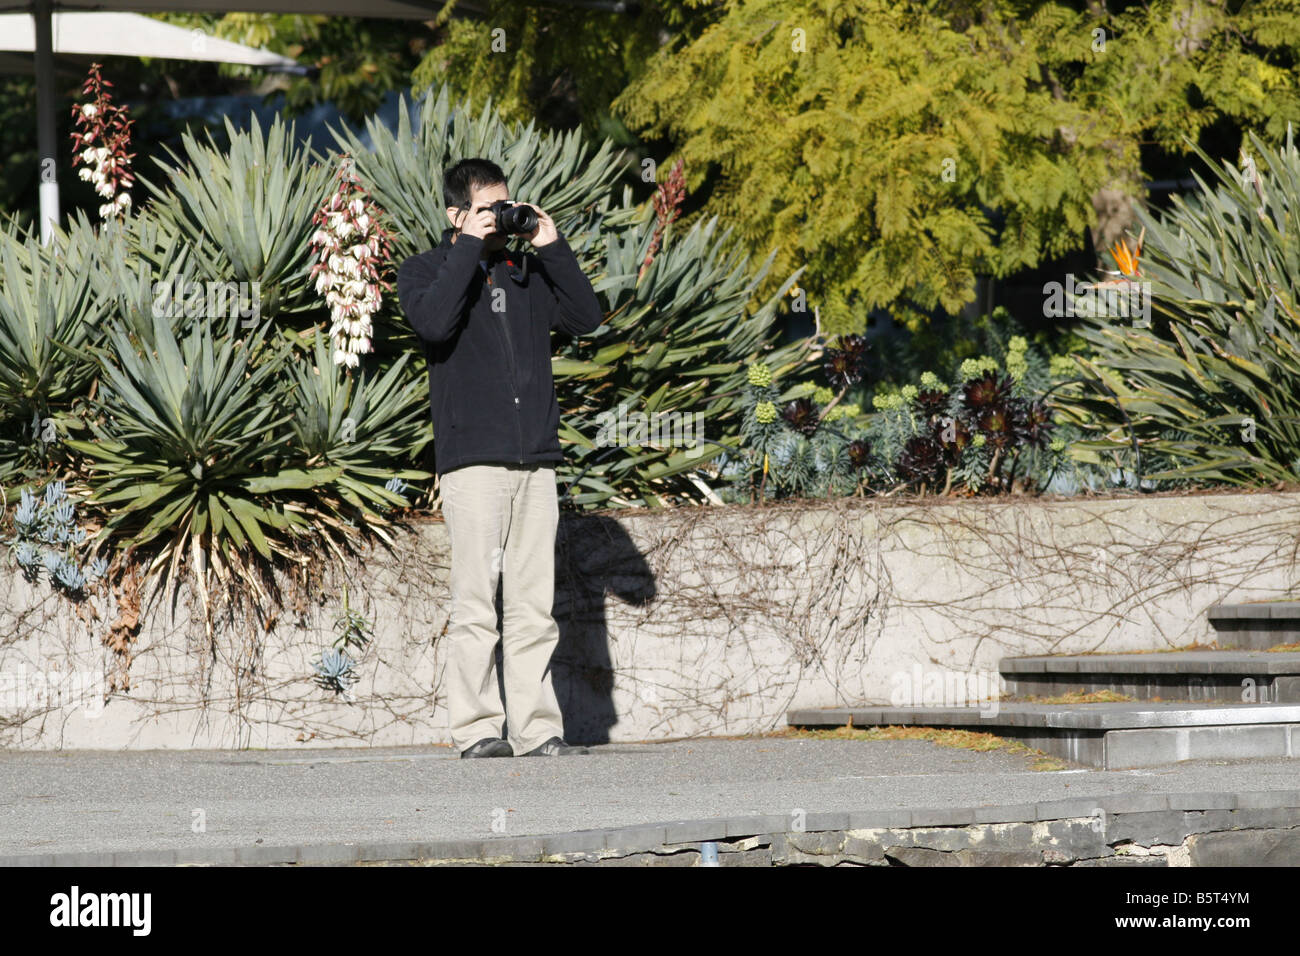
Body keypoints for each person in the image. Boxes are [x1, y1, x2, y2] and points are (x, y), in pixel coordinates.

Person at [396, 158, 605, 758]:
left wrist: (551, 244)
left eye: (503, 205)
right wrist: (468, 245)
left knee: (535, 607)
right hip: (474, 463)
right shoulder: (428, 270)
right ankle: (478, 730)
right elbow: (434, 324)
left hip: (534, 462)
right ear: (455, 213)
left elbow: (587, 318)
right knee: (475, 604)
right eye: (486, 207)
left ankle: (539, 729)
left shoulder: (526, 274)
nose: (498, 217)